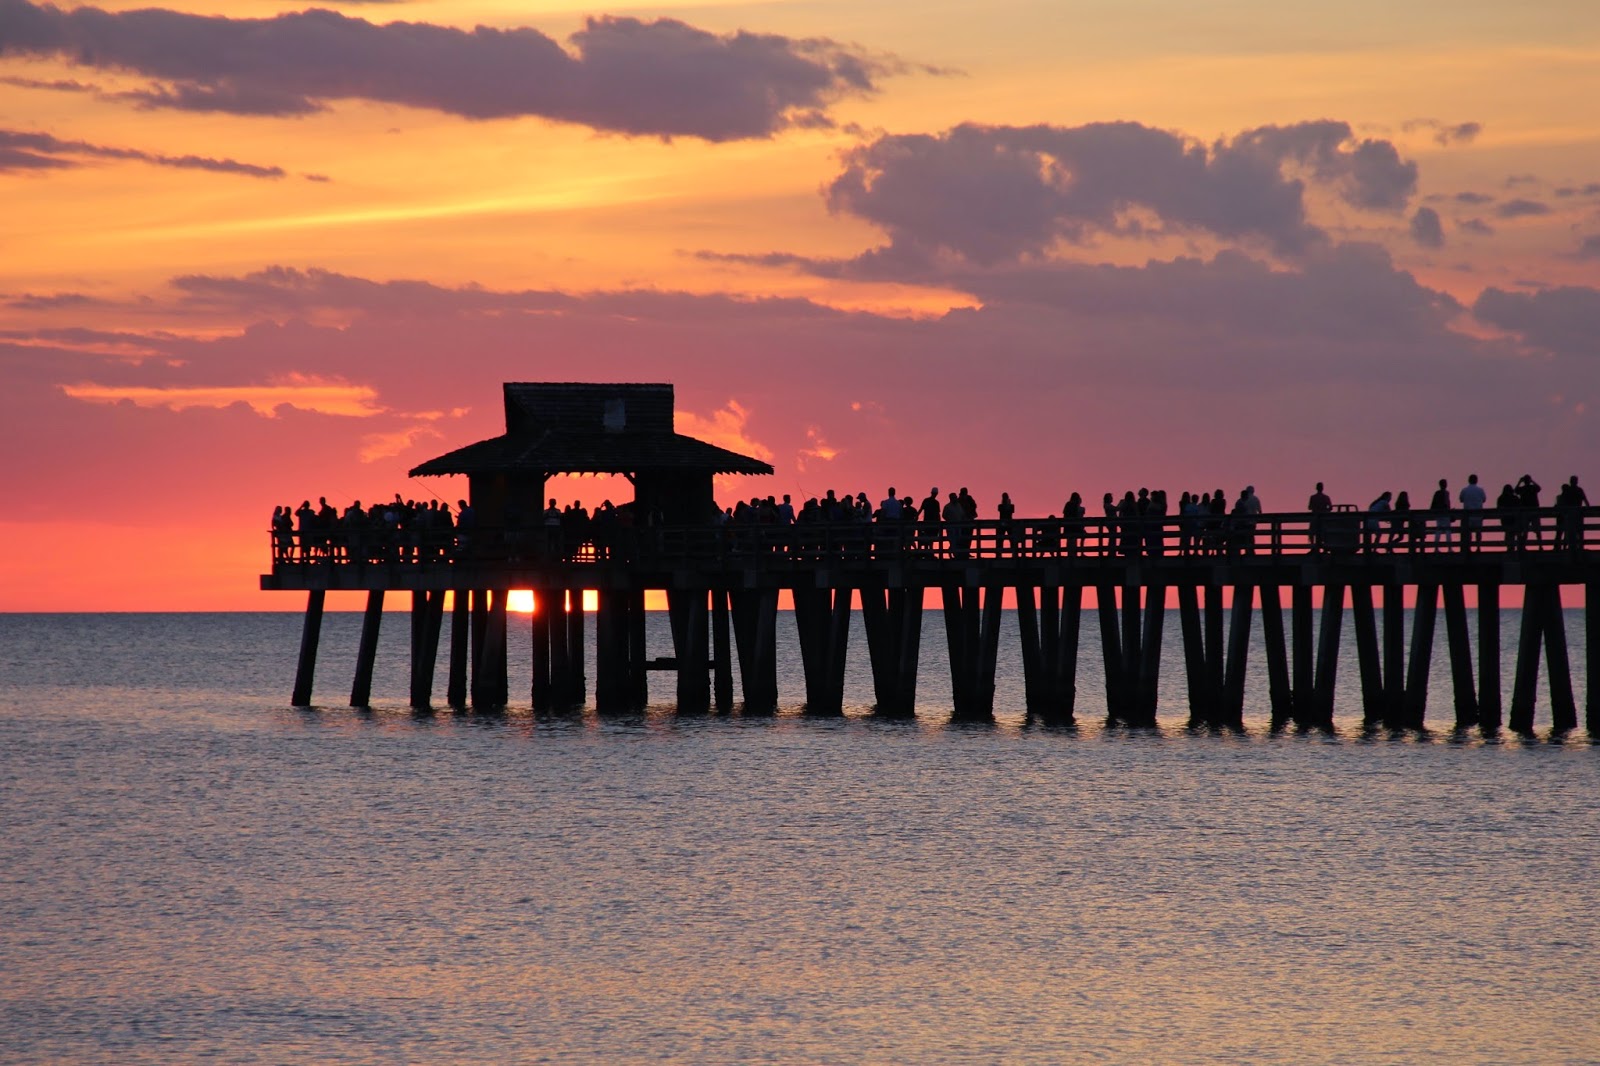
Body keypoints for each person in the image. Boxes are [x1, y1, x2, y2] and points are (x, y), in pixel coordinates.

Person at [1459, 474, 1487, 550]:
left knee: (1468, 532)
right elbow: (1484, 499)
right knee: (1478, 532)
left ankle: (1468, 548)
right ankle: (1478, 547)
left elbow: (1461, 499)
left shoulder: (1464, 490)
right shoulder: (1480, 490)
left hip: (1468, 515)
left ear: (1469, 480)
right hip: (1478, 515)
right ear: (1476, 481)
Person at [1516, 475, 1543, 549]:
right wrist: (1532, 481)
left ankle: (1523, 546)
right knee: (1537, 530)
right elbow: (1539, 488)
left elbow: (1515, 491)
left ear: (1524, 481)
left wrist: (1519, 482)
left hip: (1525, 512)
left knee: (1525, 530)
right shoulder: (1533, 488)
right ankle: (1540, 546)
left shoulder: (1523, 489)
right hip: (1534, 510)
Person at [1308, 482, 1332, 552]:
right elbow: (1330, 507)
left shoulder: (1312, 497)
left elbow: (1309, 507)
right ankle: (1325, 548)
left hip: (1314, 517)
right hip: (1323, 518)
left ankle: (1313, 548)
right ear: (1322, 488)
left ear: (1316, 488)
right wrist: (1325, 510)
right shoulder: (1326, 497)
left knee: (1313, 532)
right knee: (1324, 533)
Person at [1429, 479, 1451, 550]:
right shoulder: (1446, 493)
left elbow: (1433, 504)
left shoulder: (1437, 493)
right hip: (1445, 514)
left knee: (1438, 531)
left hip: (1438, 514)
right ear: (1445, 485)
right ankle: (1449, 548)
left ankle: (1436, 548)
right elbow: (1447, 504)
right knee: (1447, 531)